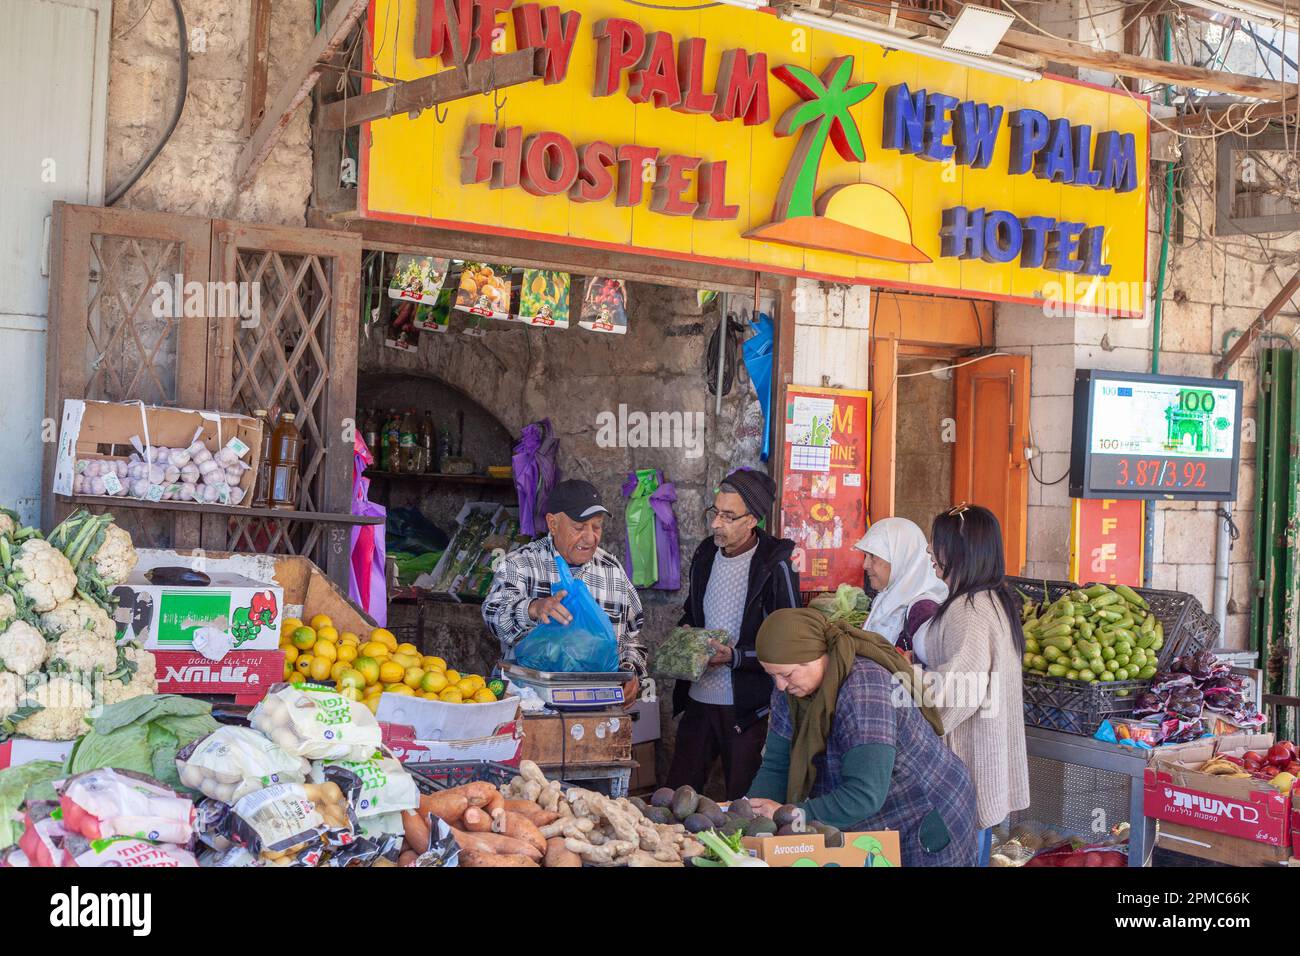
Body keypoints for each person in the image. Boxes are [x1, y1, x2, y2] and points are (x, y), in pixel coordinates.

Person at [745, 608, 978, 867]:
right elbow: (777, 764)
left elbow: (864, 794)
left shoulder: (864, 689)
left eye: (786, 674)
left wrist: (790, 816)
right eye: (772, 675)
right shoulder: (789, 693)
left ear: (816, 657)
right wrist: (747, 818)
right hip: (871, 808)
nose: (779, 685)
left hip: (923, 807)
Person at [667, 469, 800, 799]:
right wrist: (686, 631)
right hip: (699, 699)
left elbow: (792, 642)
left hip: (747, 708)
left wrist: (735, 656)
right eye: (715, 512)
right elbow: (692, 610)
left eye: (728, 516)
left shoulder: (775, 563)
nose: (715, 524)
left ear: (752, 519)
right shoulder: (705, 554)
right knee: (675, 797)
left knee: (746, 802)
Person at [922, 503, 1030, 866]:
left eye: (936, 544)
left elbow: (958, 694)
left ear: (958, 551)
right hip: (980, 761)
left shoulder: (968, 609)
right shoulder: (994, 600)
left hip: (964, 768)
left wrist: (901, 681)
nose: (930, 553)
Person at [482, 479, 644, 701]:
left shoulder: (612, 570)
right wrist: (533, 608)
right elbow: (493, 616)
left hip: (596, 704)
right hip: (530, 704)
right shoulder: (520, 564)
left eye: (596, 527)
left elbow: (631, 638)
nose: (589, 537)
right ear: (553, 523)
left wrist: (630, 670)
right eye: (579, 528)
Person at [853, 518, 948, 660]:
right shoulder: (888, 598)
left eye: (873, 556)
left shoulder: (923, 610)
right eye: (865, 556)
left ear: (901, 557)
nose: (865, 565)